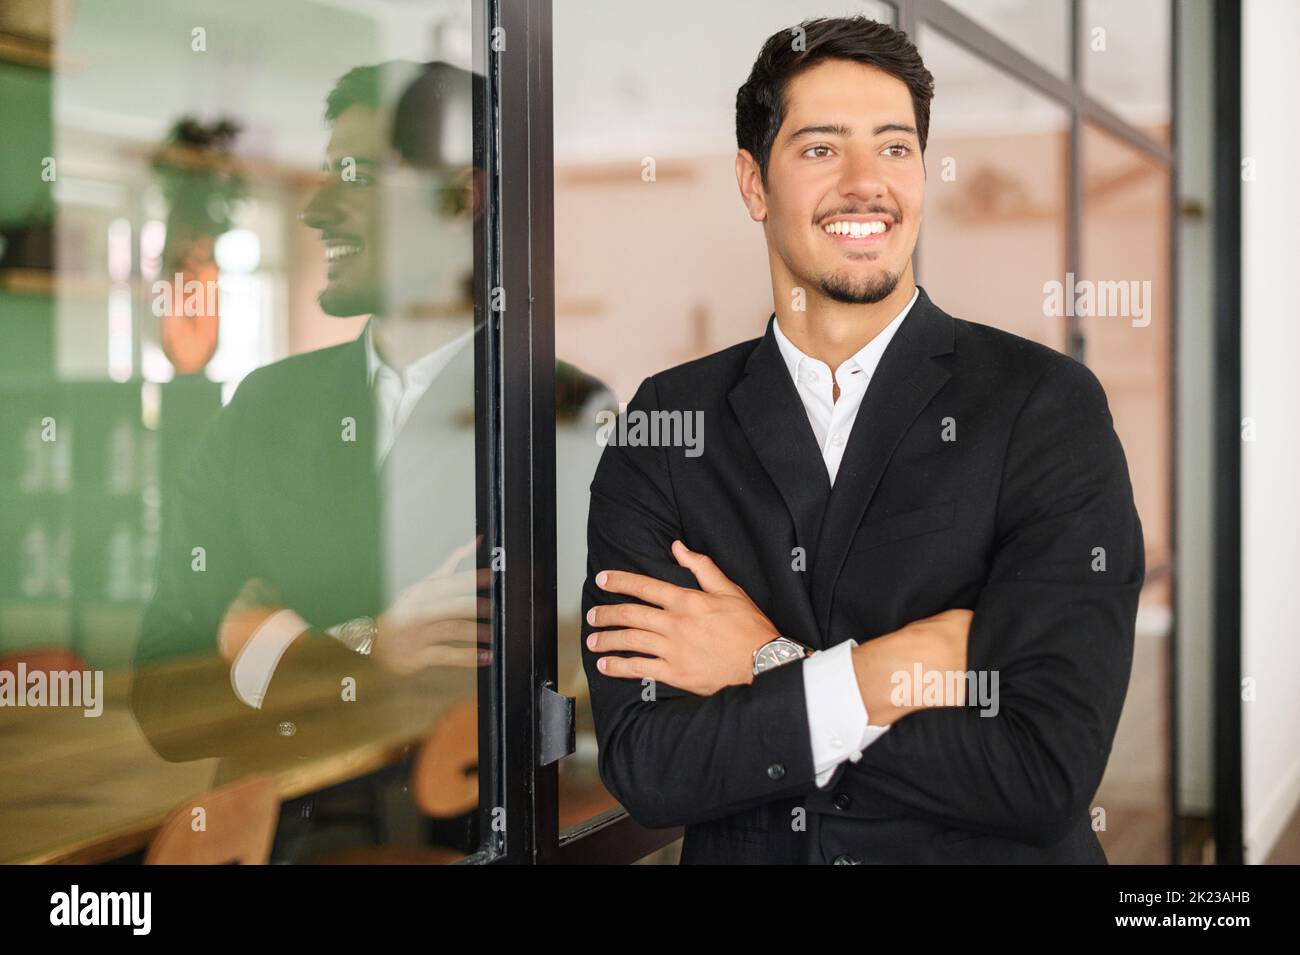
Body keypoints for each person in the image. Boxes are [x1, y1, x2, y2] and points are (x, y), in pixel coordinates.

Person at [580, 16, 1144, 864]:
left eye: (894, 147)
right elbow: (650, 768)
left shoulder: (1044, 405)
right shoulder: (667, 426)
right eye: (819, 148)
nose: (865, 184)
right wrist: (889, 674)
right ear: (753, 181)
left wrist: (766, 665)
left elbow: (1042, 768)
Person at [132, 60, 611, 861]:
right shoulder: (263, 408)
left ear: (463, 196)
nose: (317, 207)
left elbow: (503, 706)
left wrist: (257, 631)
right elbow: (163, 699)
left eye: (352, 174)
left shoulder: (561, 417)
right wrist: (365, 643)